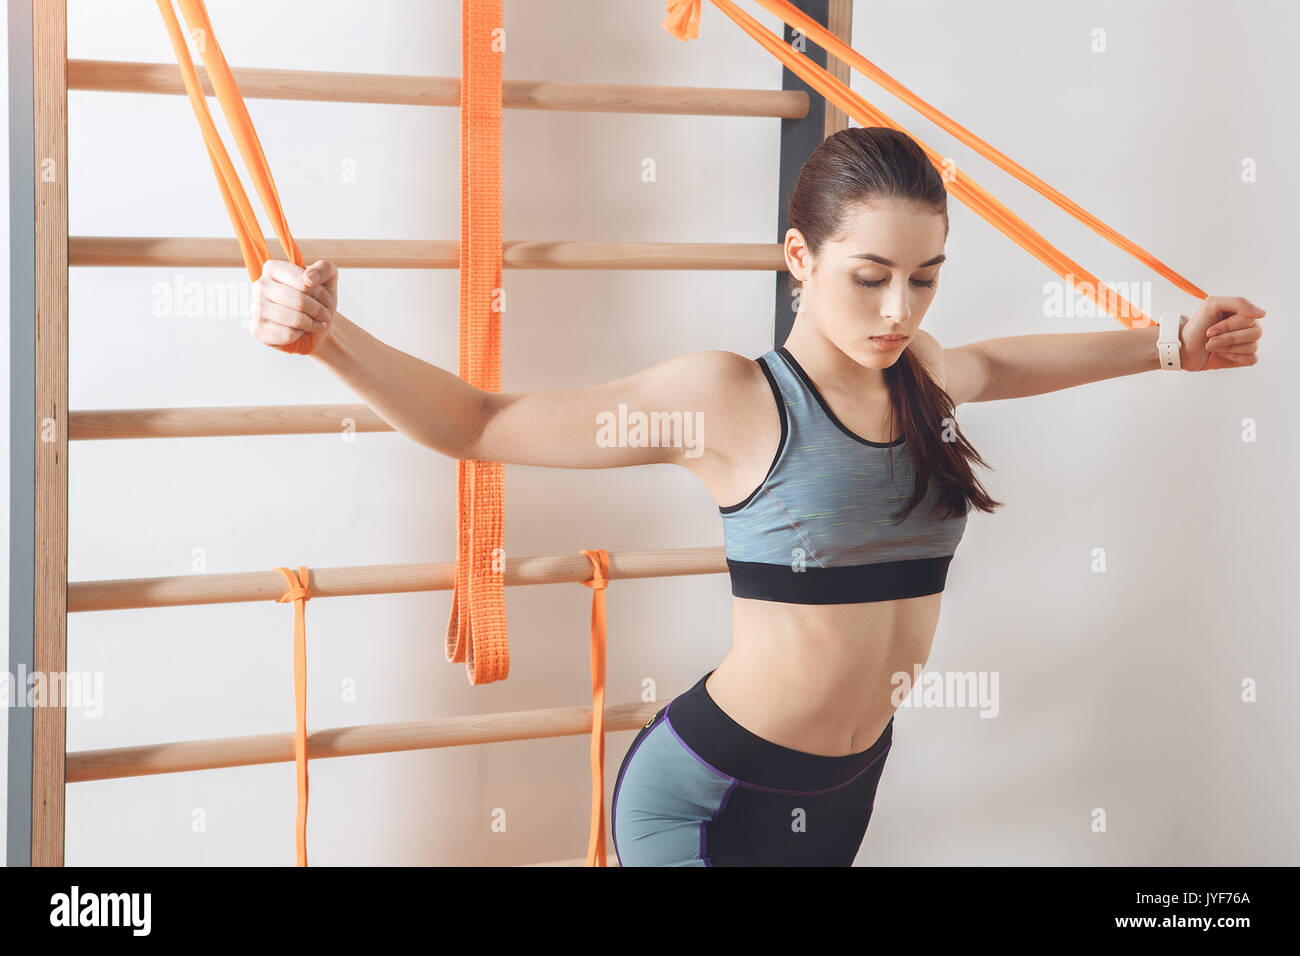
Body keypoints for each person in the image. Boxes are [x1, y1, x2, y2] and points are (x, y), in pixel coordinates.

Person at [249, 126, 1264, 866]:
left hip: (842, 789)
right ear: (798, 258)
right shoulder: (728, 399)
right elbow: (477, 422)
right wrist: (329, 336)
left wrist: (1170, 343)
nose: (898, 308)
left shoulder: (926, 376)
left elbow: (1004, 360)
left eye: (924, 277)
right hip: (704, 798)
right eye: (869, 277)